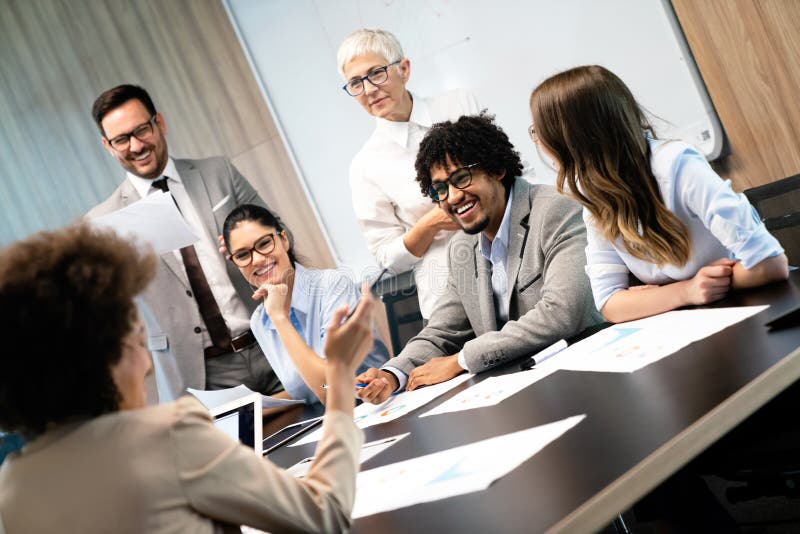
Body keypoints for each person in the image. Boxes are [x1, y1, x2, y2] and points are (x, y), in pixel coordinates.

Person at [0, 223, 374, 533]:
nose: (147, 362)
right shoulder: (166, 435)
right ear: (103, 358)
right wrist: (339, 382)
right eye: (137, 339)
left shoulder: (13, 487)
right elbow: (325, 516)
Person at [357, 113, 603, 404]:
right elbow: (442, 331)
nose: (452, 197)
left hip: (588, 375)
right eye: (440, 189)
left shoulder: (554, 210)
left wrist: (461, 360)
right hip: (520, 392)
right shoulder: (462, 247)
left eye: (461, 178)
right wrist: (392, 374)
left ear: (496, 168)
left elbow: (563, 312)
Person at [528, 65, 788, 323]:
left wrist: (687, 290)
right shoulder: (595, 196)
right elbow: (610, 303)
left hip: (769, 307)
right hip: (706, 320)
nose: (538, 141)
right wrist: (686, 290)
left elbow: (771, 264)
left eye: (538, 131)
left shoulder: (678, 166)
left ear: (571, 137)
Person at [86, 84, 283, 401]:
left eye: (142, 130)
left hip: (272, 344)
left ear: (159, 123)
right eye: (122, 139)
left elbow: (279, 237)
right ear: (108, 146)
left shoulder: (218, 172)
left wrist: (250, 250)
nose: (136, 145)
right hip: (203, 377)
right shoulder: (103, 224)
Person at [339, 28, 481, 319]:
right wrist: (430, 224)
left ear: (403, 69)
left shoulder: (459, 105)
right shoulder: (365, 165)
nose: (368, 90)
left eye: (376, 73)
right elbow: (385, 257)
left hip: (509, 260)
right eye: (355, 83)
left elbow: (510, 172)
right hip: (448, 295)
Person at [222, 204, 390, 404]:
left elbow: (330, 392)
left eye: (264, 244)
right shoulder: (260, 320)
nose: (257, 259)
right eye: (242, 255)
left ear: (284, 240)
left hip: (373, 411)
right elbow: (302, 393)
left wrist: (280, 319)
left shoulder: (332, 286)